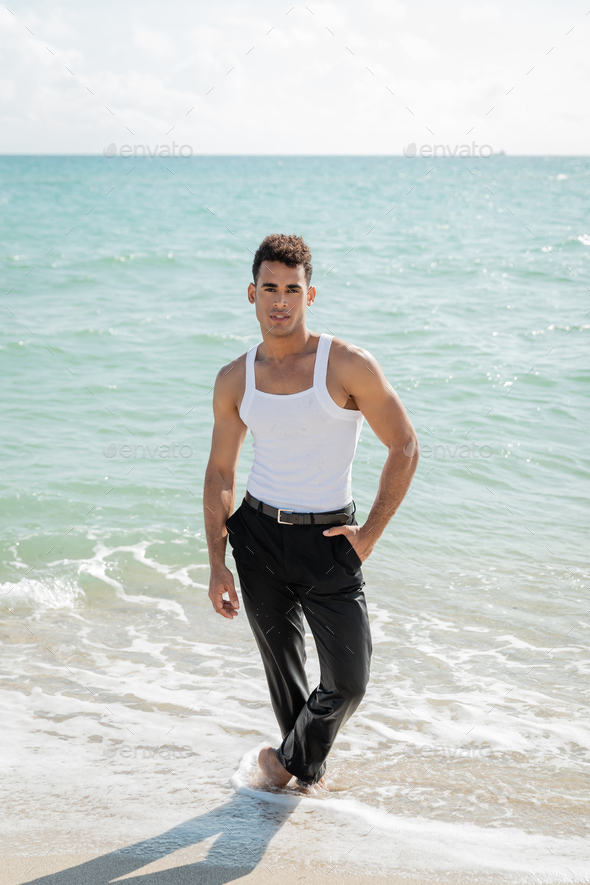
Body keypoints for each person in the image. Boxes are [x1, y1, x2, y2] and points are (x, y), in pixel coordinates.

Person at [203, 233, 418, 790]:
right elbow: (220, 473)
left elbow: (405, 446)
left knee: (348, 681)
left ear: (310, 294)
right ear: (251, 294)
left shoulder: (346, 364)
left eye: (291, 290)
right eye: (269, 288)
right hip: (257, 537)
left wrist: (369, 534)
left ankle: (283, 765)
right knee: (287, 678)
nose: (280, 301)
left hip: (330, 540)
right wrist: (217, 562)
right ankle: (305, 782)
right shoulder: (234, 378)